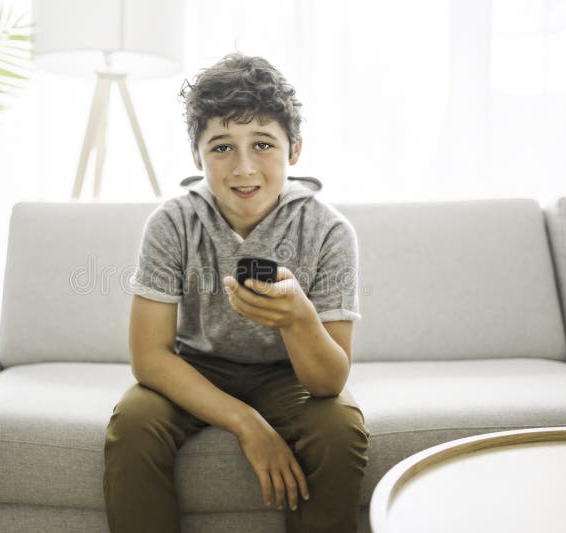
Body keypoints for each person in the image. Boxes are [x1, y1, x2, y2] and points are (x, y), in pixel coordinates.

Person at [103, 52, 370, 533]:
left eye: (262, 144)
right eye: (222, 147)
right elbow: (149, 358)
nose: (243, 168)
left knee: (339, 429)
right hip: (197, 366)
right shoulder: (173, 223)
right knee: (134, 422)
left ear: (294, 149)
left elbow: (329, 382)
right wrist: (247, 424)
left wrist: (297, 318)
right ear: (197, 157)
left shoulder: (329, 231)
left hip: (289, 375)